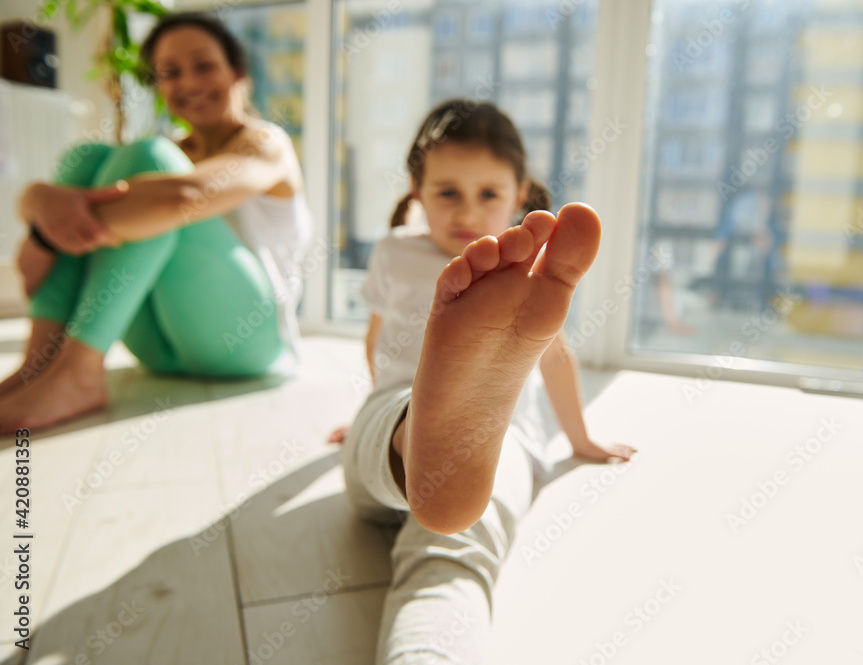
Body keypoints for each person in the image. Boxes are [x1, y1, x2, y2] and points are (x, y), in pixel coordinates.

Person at [341, 99, 636, 663]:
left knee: (448, 532)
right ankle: (408, 436)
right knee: (448, 556)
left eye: (488, 195)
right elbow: (376, 340)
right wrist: (372, 414)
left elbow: (555, 358)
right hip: (407, 413)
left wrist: (581, 439)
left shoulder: (525, 278)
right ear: (416, 189)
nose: (467, 212)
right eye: (447, 192)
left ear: (520, 193)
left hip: (486, 436)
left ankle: (414, 439)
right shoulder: (395, 252)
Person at [0, 12, 311, 432]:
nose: (189, 83)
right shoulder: (173, 149)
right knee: (86, 158)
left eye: (204, 65)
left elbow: (184, 197)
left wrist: (45, 231)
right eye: (171, 72)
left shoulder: (265, 142)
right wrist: (37, 199)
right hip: (157, 345)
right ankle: (40, 364)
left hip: (244, 343)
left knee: (150, 160)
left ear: (238, 73)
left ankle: (78, 372)